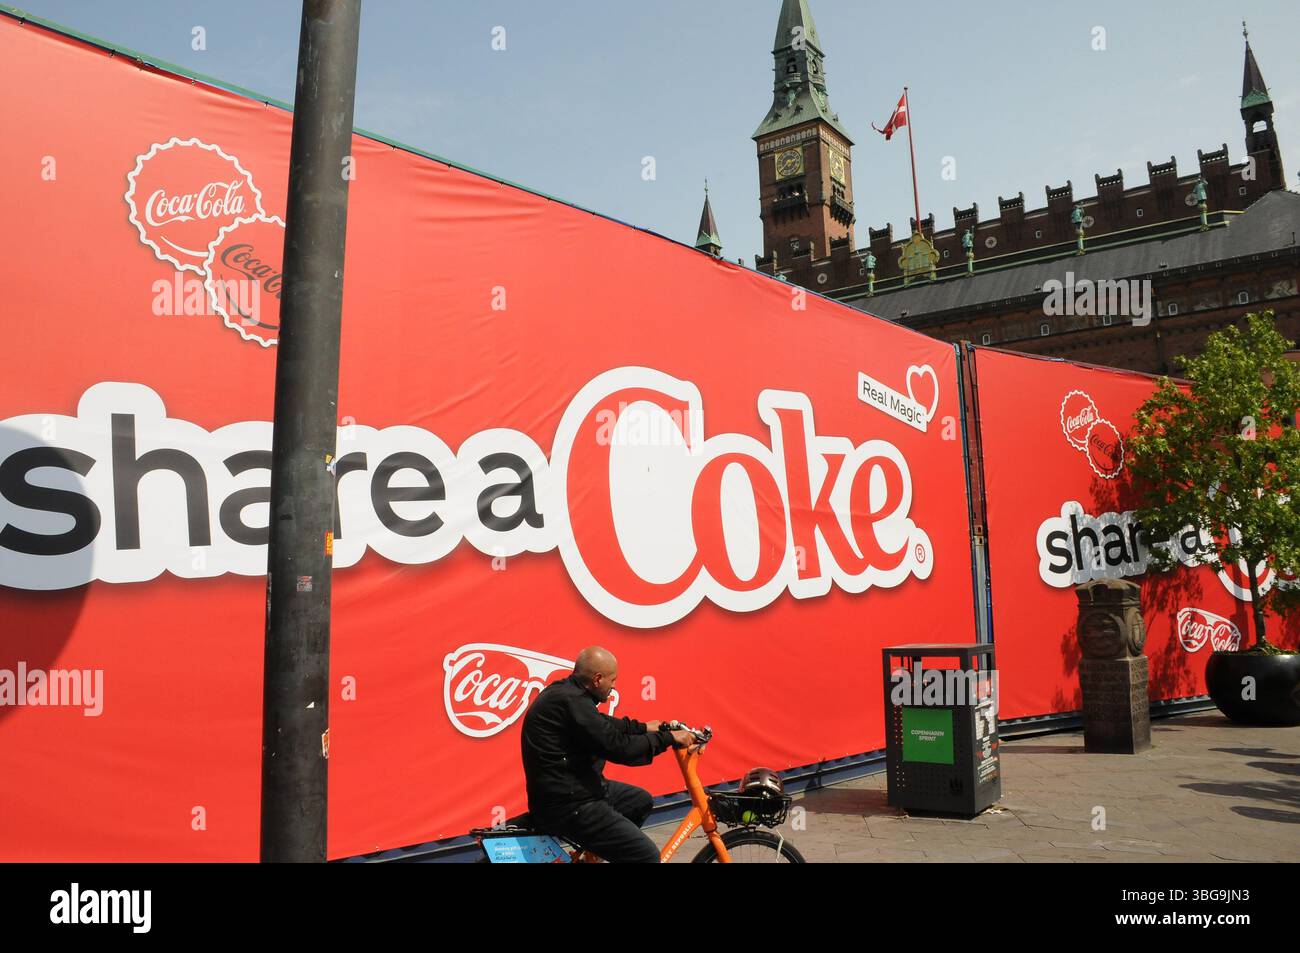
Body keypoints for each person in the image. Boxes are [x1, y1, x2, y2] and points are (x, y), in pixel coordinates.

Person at [520, 645, 694, 863]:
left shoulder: (566, 693)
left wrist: (644, 728)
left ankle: (593, 856)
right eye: (613, 680)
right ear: (597, 679)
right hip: (569, 804)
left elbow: (601, 724)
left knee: (639, 801)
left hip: (575, 790)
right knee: (647, 855)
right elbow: (619, 748)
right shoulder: (572, 702)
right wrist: (669, 739)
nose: (614, 686)